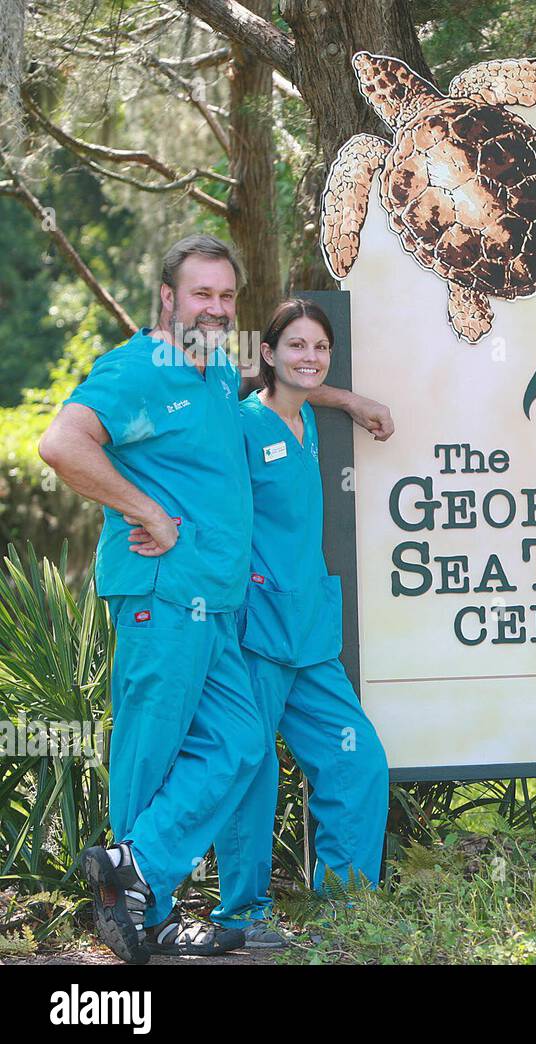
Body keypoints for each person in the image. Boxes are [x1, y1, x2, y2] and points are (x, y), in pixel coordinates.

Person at [38, 235, 393, 962]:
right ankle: (141, 914)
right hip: (162, 596)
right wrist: (146, 511)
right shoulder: (138, 368)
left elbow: (275, 392)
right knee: (150, 753)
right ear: (167, 298)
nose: (216, 307)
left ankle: (136, 874)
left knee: (237, 743)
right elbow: (62, 443)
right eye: (202, 294)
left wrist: (342, 397)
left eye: (227, 296)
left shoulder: (209, 373)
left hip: (217, 606)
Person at [210, 300, 390, 947]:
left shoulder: (307, 418)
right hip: (254, 633)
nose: (308, 356)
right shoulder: (241, 424)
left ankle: (343, 911)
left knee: (358, 762)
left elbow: (309, 390)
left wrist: (349, 401)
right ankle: (241, 916)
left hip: (310, 634)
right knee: (250, 771)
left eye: (319, 346)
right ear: (267, 353)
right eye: (295, 345)